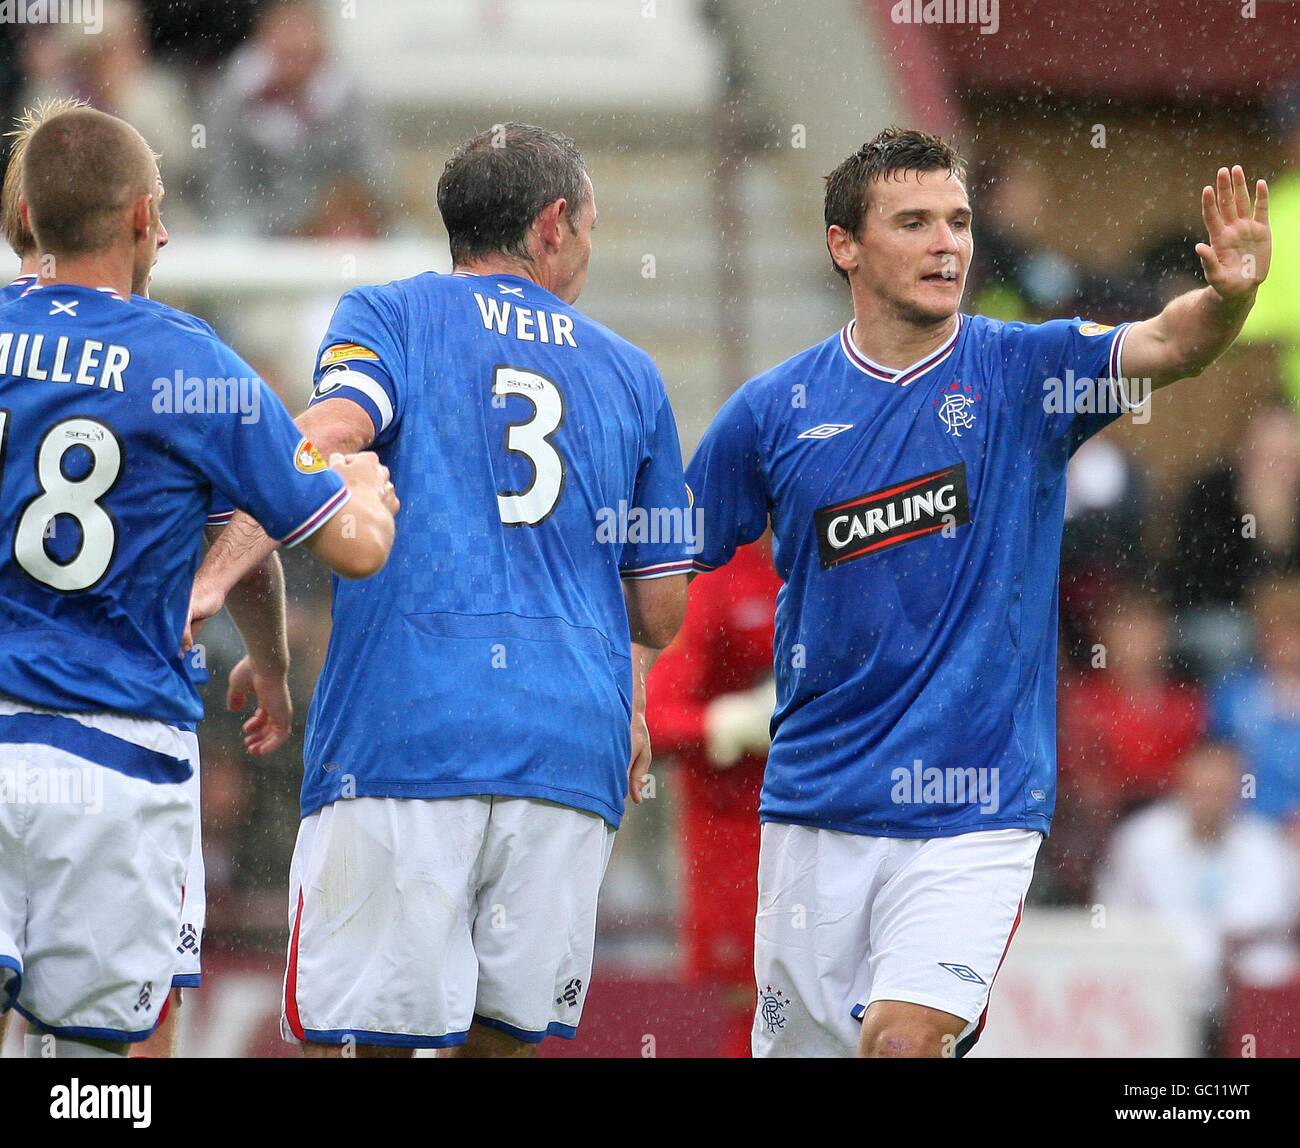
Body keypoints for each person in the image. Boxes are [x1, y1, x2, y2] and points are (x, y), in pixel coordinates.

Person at [685, 126, 1271, 1058]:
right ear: (846, 245)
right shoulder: (774, 409)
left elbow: (1169, 341)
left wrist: (1231, 298)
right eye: (913, 223)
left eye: (957, 221)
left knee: (904, 1040)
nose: (947, 243)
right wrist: (631, 691)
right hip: (815, 804)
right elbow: (671, 556)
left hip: (975, 808)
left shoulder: (1024, 369)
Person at [188, 123, 691, 1057]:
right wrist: (610, 673)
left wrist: (216, 573)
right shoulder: (633, 374)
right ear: (551, 225)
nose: (589, 245)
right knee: (502, 1042)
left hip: (409, 732)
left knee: (369, 1042)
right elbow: (661, 609)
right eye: (588, 224)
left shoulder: (389, 315)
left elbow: (328, 435)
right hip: (568, 749)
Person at [0, 107, 398, 1058]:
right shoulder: (191, 365)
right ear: (142, 217)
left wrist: (263, 652)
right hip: (114, 759)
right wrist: (362, 488)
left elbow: (225, 525)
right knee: (110, 1070)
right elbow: (351, 548)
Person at [645, 536, 780, 1057]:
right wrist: (736, 722)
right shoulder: (720, 571)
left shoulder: (846, 557)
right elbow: (658, 718)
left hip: (836, 819)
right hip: (734, 836)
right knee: (750, 1007)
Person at [1097, 742, 1298, 1056]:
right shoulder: (1140, 841)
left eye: (1220, 791)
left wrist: (1223, 945)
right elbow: (1112, 916)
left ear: (1238, 791)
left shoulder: (1266, 844)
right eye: (1202, 790)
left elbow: (1279, 920)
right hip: (1159, 984)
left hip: (1247, 989)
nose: (1210, 802)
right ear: (1181, 786)